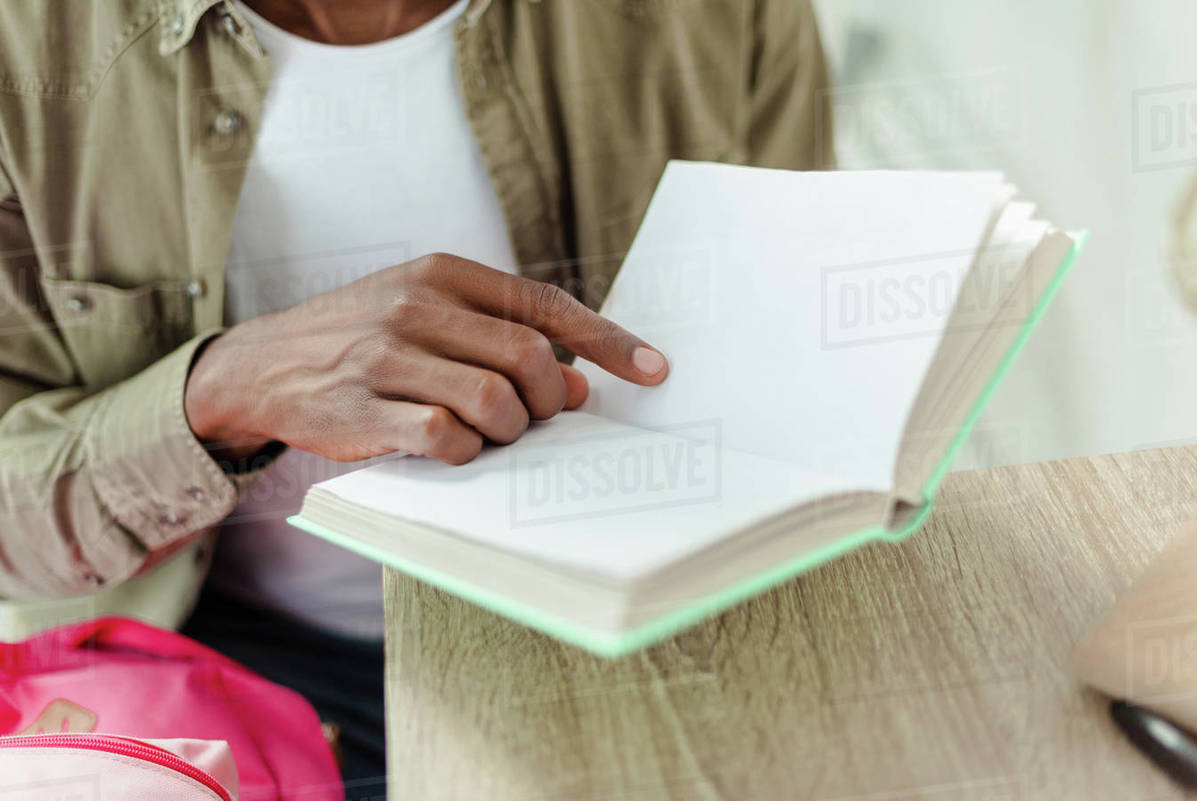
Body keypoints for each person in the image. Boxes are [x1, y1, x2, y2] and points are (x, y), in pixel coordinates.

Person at [0, 0, 831, 791]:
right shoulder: (27, 48)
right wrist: (223, 390)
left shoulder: (717, 20)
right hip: (224, 673)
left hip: (660, 641)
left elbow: (799, 351)